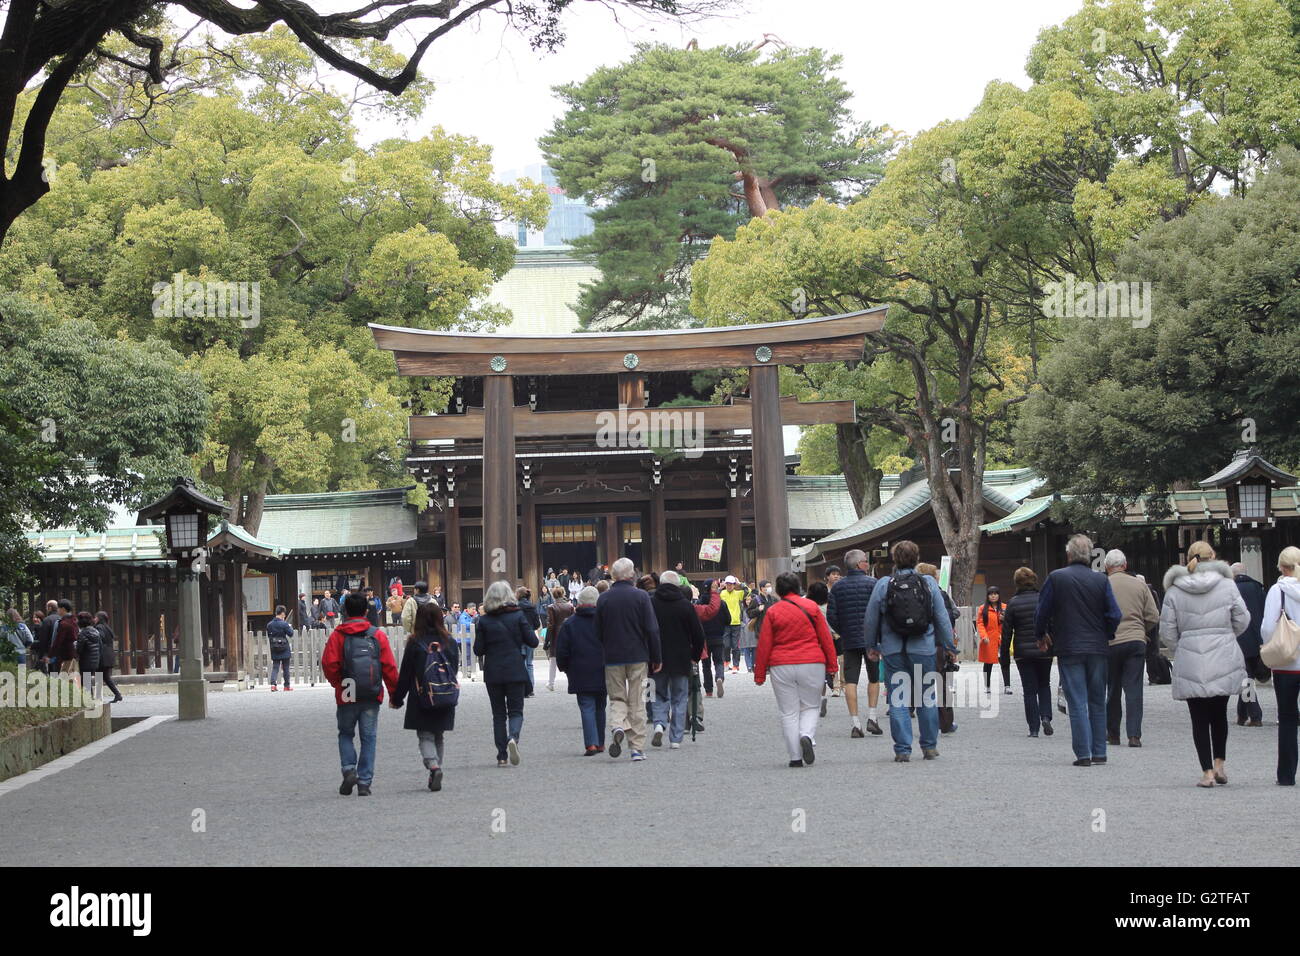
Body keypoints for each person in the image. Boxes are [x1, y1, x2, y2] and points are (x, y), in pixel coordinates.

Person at [1161, 540, 1250, 787]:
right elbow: (1242, 619)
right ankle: (1220, 763)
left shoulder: (1175, 590)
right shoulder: (1227, 586)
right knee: (1219, 714)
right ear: (1213, 556)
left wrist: (1183, 646)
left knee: (1198, 718)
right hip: (1222, 654)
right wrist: (1226, 635)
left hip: (1190, 656)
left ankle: (1207, 772)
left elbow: (1167, 632)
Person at [863, 540, 956, 761]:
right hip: (923, 648)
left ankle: (903, 749)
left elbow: (870, 618)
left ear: (895, 559)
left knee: (898, 698)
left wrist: (872, 645)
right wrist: (950, 646)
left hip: (893, 649)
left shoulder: (884, 584)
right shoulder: (928, 583)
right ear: (916, 558)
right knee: (926, 697)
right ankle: (929, 746)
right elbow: (942, 618)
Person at [1034, 534, 1122, 767]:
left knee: (1077, 701)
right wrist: (1107, 633)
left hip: (1069, 646)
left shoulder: (1056, 578)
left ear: (1069, 554)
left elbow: (1042, 611)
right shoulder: (1101, 581)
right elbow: (1115, 614)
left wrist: (1041, 635)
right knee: (1097, 700)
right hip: (1097, 647)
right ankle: (1100, 752)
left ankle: (1083, 753)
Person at [754, 572, 838, 767]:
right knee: (811, 705)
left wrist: (760, 674)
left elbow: (765, 643)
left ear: (778, 589)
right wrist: (832, 664)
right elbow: (825, 638)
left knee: (788, 712)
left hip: (781, 664)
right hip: (812, 661)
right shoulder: (811, 607)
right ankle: (807, 735)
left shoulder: (773, 611)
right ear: (798, 586)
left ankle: (794, 757)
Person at [321, 592, 400, 796]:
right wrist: (394, 694)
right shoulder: (376, 634)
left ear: (345, 611)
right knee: (369, 737)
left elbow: (329, 664)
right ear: (366, 611)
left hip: (347, 689)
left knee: (346, 733)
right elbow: (389, 666)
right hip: (371, 691)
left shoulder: (338, 635)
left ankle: (349, 770)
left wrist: (338, 684)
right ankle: (364, 782)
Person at [595, 557, 662, 762]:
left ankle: (618, 725)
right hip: (637, 655)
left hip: (613, 656)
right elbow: (652, 629)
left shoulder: (604, 599)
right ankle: (637, 748)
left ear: (614, 576)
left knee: (616, 698)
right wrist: (656, 656)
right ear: (631, 574)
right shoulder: (641, 597)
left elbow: (597, 631)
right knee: (637, 701)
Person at [390, 601, 460, 792]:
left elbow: (406, 673)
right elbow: (454, 669)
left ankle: (433, 766)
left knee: (425, 734)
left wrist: (397, 698)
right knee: (438, 734)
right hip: (444, 694)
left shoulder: (415, 642)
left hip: (422, 695)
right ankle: (436, 768)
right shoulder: (450, 642)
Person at [474, 580, 538, 767]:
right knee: (516, 711)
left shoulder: (484, 620)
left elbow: (478, 649)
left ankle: (502, 755)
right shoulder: (518, 616)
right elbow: (533, 641)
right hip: (515, 669)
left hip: (493, 671)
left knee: (498, 714)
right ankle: (513, 738)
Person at [1105, 549, 1160, 747]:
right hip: (1136, 640)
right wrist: (1141, 630)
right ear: (1125, 565)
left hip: (1111, 642)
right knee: (1134, 688)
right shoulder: (1140, 585)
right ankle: (1134, 735)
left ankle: (1113, 733)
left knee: (1113, 688)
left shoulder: (1104, 585)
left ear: (1106, 567)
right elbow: (1153, 616)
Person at [827, 549, 881, 737]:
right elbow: (881, 610)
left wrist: (843, 631)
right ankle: (872, 718)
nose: (867, 563)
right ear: (859, 565)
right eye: (866, 561)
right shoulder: (873, 584)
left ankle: (855, 723)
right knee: (874, 677)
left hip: (849, 639)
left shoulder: (837, 588)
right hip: (871, 639)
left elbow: (831, 616)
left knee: (850, 680)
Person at [649, 570, 706, 749]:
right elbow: (698, 635)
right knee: (680, 697)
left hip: (657, 657)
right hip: (682, 658)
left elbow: (646, 631)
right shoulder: (685, 605)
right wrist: (695, 657)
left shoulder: (651, 603)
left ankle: (659, 723)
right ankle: (675, 738)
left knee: (657, 693)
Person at [1260, 546, 1300, 786]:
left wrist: (1270, 645)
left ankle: (1286, 774)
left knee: (1287, 718)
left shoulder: (1278, 591)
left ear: (1281, 566)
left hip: (1286, 662)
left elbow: (1267, 628)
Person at [556, 586, 607, 754]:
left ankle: (590, 744)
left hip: (579, 669)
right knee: (600, 706)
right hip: (602, 668)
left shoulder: (570, 623)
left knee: (586, 706)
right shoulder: (605, 620)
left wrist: (564, 667)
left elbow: (562, 650)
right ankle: (600, 743)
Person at [1003, 567, 1051, 737]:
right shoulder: (1042, 599)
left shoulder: (1013, 603)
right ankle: (1046, 716)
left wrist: (1004, 657)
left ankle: (1033, 728)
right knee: (1044, 684)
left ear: (1017, 583)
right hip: (1043, 648)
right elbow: (1051, 624)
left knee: (1029, 690)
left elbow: (1007, 632)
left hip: (1023, 651)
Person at [917, 563, 961, 734]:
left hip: (918, 644)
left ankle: (926, 723)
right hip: (938, 644)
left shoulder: (913, 593)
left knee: (921, 685)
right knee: (942, 684)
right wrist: (950, 646)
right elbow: (946, 619)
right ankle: (945, 722)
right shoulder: (940, 594)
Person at [1230, 562, 1268, 727]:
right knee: (1247, 677)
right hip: (1257, 639)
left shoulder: (1231, 590)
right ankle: (1241, 714)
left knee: (1246, 679)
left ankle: (1255, 715)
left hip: (1240, 640)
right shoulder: (1259, 589)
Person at [698, 579, 727, 698]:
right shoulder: (721, 603)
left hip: (704, 637)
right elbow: (728, 619)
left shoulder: (699, 603)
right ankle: (719, 677)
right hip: (718, 636)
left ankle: (709, 691)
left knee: (706, 665)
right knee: (719, 661)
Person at [976, 586, 1007, 694]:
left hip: (1001, 638)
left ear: (999, 595)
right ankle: (987, 686)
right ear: (987, 596)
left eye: (995, 593)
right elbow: (980, 623)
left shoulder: (1004, 607)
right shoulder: (982, 608)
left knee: (1004, 662)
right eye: (991, 594)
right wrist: (984, 636)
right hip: (988, 639)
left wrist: (1004, 620)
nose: (993, 596)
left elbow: (1009, 623)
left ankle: (1007, 686)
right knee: (988, 663)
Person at [544, 586, 574, 692]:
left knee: (553, 660)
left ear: (553, 595)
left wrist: (547, 640)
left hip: (556, 635)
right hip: (569, 634)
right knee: (569, 659)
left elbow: (550, 625)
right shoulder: (570, 606)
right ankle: (572, 682)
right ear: (563, 594)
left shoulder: (551, 607)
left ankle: (551, 683)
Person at [516, 586, 540, 697]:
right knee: (530, 664)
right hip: (530, 636)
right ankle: (531, 689)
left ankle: (523, 688)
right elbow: (537, 624)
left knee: (521, 663)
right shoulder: (532, 607)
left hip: (519, 637)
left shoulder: (516, 607)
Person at [720, 576, 747, 673]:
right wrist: (720, 587)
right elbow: (713, 596)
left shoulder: (738, 593)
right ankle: (726, 662)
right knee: (726, 645)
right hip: (725, 623)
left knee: (735, 646)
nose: (729, 586)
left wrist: (741, 584)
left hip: (736, 623)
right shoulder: (722, 593)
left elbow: (748, 591)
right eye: (727, 584)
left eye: (731, 584)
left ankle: (736, 665)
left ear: (734, 585)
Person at [266, 605, 294, 691]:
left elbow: (269, 636)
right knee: (286, 668)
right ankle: (286, 686)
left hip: (274, 647)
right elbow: (291, 633)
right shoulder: (284, 624)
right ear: (282, 613)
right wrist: (289, 626)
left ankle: (273, 685)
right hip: (284, 647)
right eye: (284, 614)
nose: (284, 616)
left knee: (275, 667)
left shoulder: (269, 624)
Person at [74, 611, 102, 697]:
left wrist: (74, 644)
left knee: (85, 681)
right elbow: (100, 646)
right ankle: (91, 699)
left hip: (85, 661)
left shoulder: (83, 633)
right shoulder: (96, 632)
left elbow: (79, 648)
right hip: (95, 661)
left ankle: (88, 701)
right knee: (88, 681)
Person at [52, 599, 79, 681]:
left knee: (64, 677)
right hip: (73, 653)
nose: (57, 610)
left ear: (62, 609)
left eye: (58, 608)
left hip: (63, 654)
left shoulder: (60, 622)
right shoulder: (75, 621)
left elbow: (56, 639)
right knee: (71, 676)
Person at [738, 590, 762, 674]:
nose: (748, 601)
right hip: (745, 631)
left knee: (755, 649)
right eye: (747, 600)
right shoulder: (742, 608)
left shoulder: (756, 609)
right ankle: (748, 666)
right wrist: (743, 625)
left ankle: (753, 665)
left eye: (750, 600)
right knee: (746, 649)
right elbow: (739, 619)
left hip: (754, 630)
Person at [33, 599, 59, 672]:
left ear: (50, 608)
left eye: (47, 607)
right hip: (62, 651)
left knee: (52, 672)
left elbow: (43, 639)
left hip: (50, 650)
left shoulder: (47, 620)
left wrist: (42, 654)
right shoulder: (62, 618)